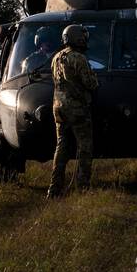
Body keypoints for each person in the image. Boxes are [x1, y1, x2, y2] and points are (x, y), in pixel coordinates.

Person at [48, 23, 99, 197]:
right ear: (78, 38)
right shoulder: (78, 58)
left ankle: (54, 187)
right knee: (84, 147)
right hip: (77, 109)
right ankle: (82, 186)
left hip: (58, 108)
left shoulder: (56, 57)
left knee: (61, 146)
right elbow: (91, 84)